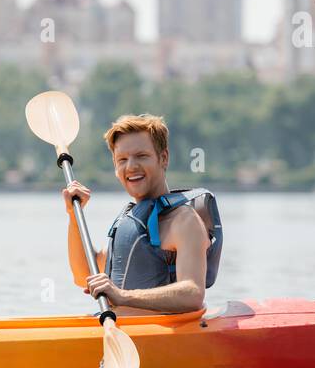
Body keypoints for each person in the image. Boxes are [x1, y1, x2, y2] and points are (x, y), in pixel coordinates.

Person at [66, 113, 222, 314]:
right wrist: (73, 215)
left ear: (163, 158)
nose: (131, 166)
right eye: (122, 159)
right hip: (117, 328)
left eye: (141, 156)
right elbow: (84, 275)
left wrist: (122, 296)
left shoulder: (184, 221)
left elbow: (192, 293)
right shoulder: (130, 222)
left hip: (161, 337)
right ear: (115, 166)